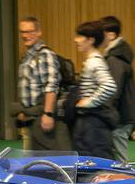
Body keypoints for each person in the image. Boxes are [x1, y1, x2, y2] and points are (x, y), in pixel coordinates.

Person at [15, 15, 72, 152]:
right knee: (32, 161)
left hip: (42, 116)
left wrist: (48, 114)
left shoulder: (44, 55)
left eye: (30, 31)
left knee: (45, 160)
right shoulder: (27, 56)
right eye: (23, 32)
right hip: (30, 117)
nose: (26, 35)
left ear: (39, 32)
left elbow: (51, 86)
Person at [69, 19, 118, 160]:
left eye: (79, 36)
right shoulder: (94, 60)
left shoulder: (94, 61)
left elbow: (109, 86)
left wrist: (88, 102)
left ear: (90, 40)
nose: (76, 40)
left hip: (93, 125)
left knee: (95, 165)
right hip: (91, 124)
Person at [101, 16, 135, 162]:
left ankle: (126, 182)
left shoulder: (115, 58)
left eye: (101, 33)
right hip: (122, 114)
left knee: (120, 160)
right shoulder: (118, 55)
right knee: (117, 156)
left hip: (120, 116)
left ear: (110, 35)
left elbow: (113, 90)